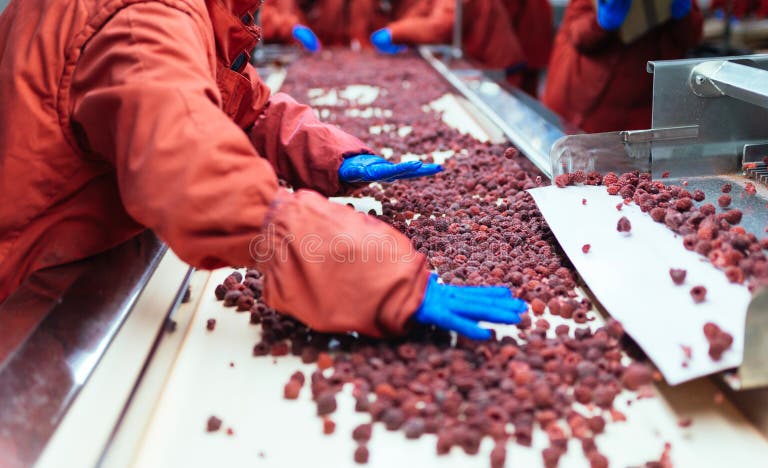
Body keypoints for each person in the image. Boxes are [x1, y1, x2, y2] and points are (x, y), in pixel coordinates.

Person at [0, 0, 528, 340]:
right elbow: (192, 173)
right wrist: (375, 274)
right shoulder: (145, 18)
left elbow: (241, 103)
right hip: (32, 269)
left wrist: (333, 156)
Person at [542, 0, 703, 133]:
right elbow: (578, 35)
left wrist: (684, 16)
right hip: (587, 99)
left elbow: (691, 37)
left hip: (642, 101)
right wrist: (599, 23)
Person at [367, 0, 536, 72]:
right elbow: (424, 8)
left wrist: (395, 32)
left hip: (494, 65)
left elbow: (441, 27)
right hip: (474, 60)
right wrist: (402, 31)